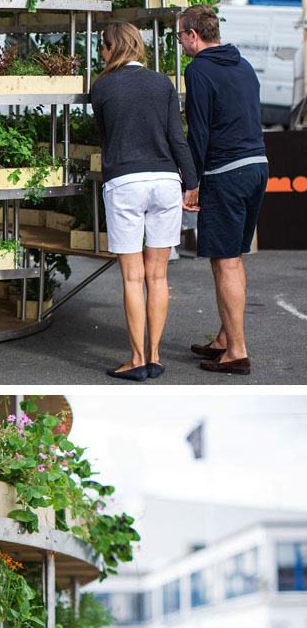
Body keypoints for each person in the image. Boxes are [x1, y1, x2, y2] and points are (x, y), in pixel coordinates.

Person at [90, 21, 199, 382]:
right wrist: (192, 182)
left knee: (133, 278)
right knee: (158, 275)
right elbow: (176, 137)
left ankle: (136, 359)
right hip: (166, 181)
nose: (100, 53)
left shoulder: (101, 87)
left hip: (125, 183)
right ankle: (154, 355)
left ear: (111, 48)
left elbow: (108, 138)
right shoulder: (162, 82)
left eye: (102, 47)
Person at [178, 4, 268, 377]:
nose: (179, 42)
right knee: (231, 257)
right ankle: (224, 339)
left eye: (179, 35)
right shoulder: (243, 65)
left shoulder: (198, 70)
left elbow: (199, 131)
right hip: (257, 166)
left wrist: (192, 183)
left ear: (193, 35)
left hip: (226, 172)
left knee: (226, 260)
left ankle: (237, 351)